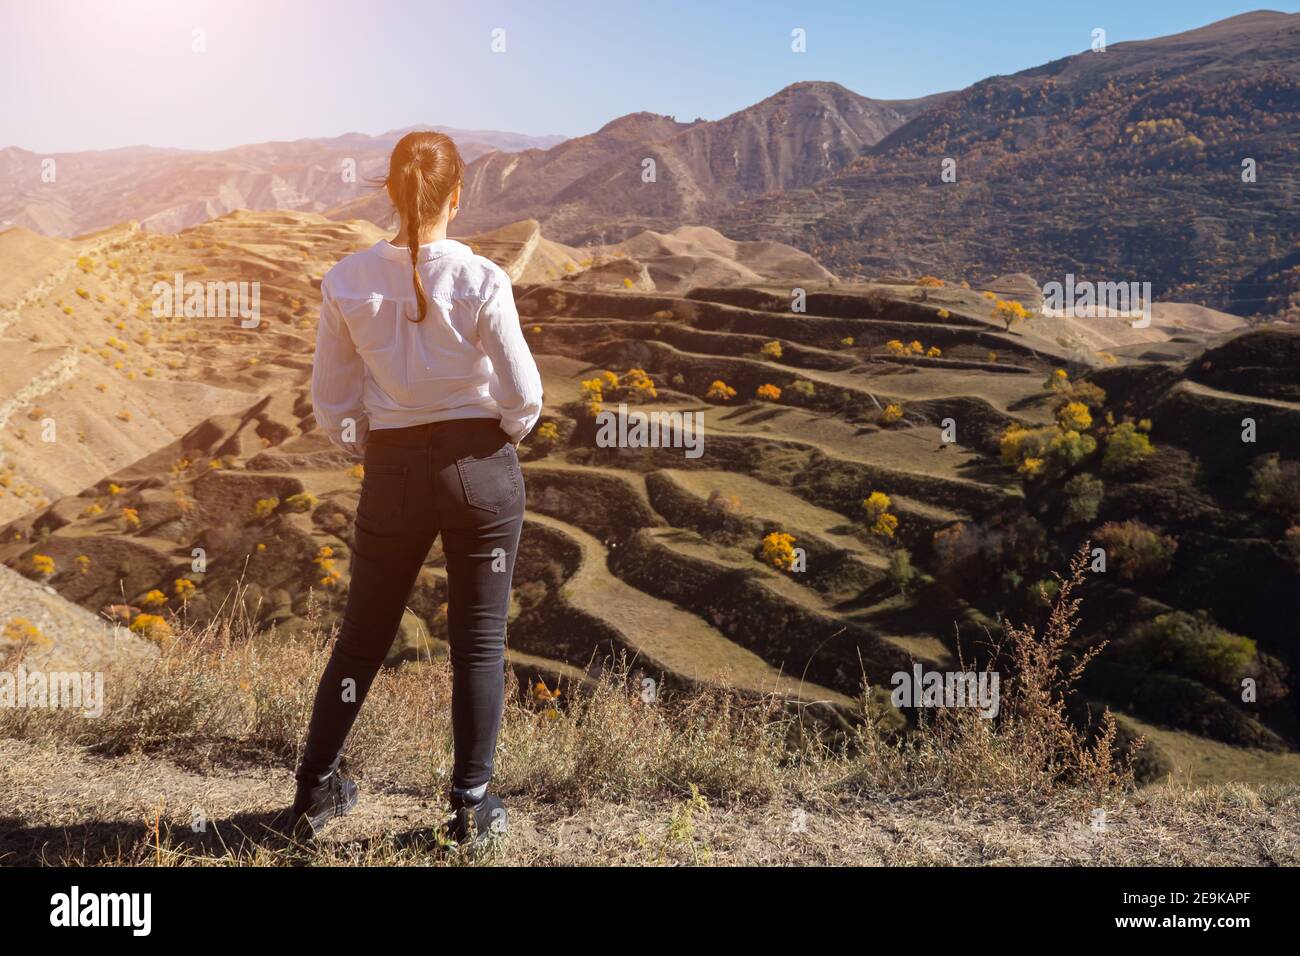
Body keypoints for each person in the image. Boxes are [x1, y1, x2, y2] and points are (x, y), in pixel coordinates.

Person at [292, 131, 543, 845]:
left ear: (391, 195)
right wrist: (493, 439)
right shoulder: (484, 280)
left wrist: (372, 445)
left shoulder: (344, 280)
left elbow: (331, 402)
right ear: (457, 196)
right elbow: (525, 398)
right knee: (479, 642)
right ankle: (470, 806)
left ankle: (314, 789)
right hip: (482, 473)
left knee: (362, 637)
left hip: (393, 471)